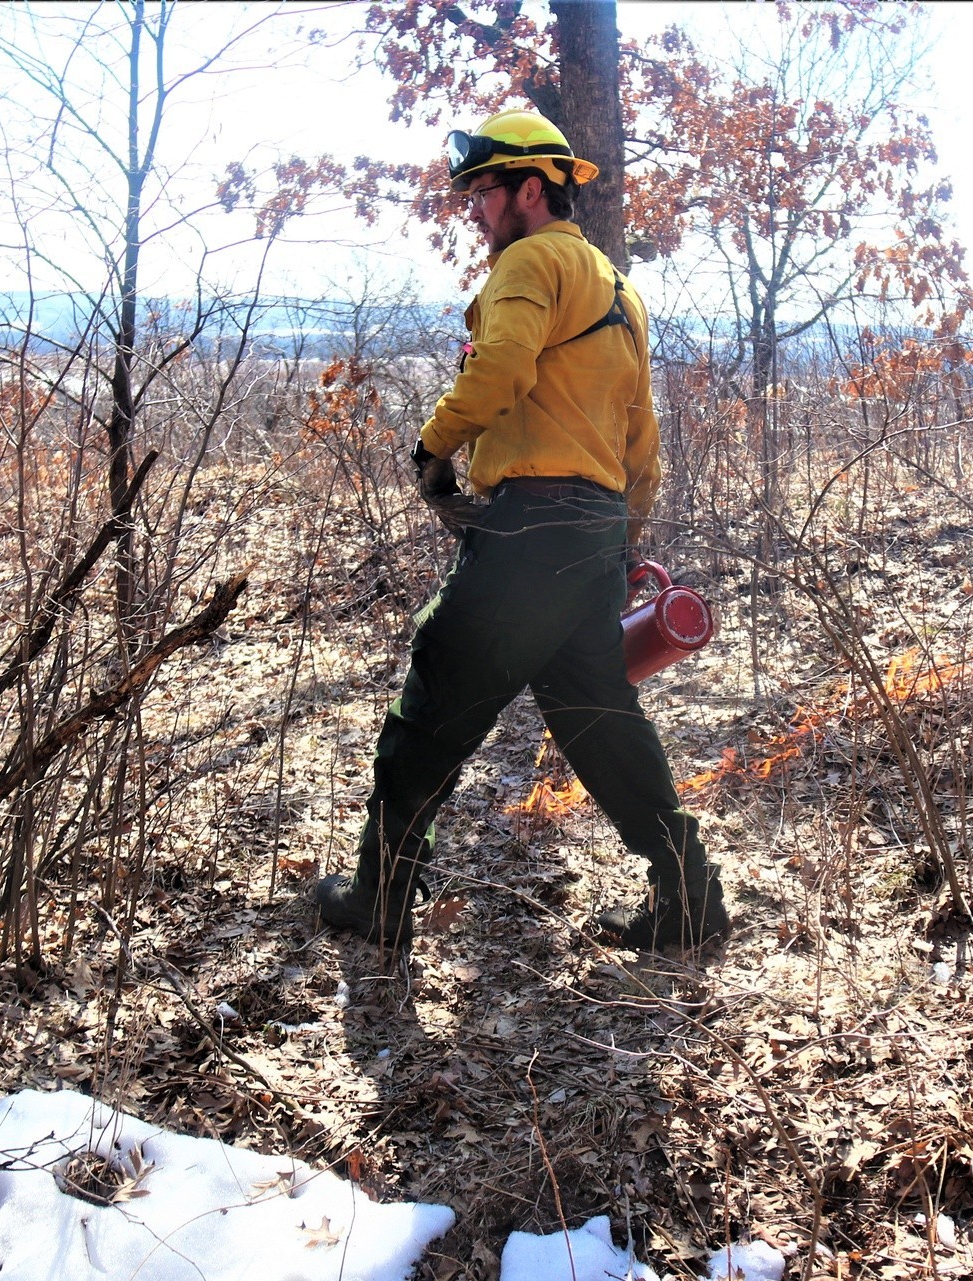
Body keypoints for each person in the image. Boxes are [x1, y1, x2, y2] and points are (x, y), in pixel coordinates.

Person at [312, 108, 729, 955]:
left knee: (431, 702)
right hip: (594, 531)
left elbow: (499, 370)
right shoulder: (617, 288)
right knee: (598, 718)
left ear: (529, 190)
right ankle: (690, 897)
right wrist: (621, 536)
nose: (474, 211)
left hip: (531, 531)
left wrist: (433, 447)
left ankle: (381, 897)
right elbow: (640, 435)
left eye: (484, 192)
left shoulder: (528, 261)